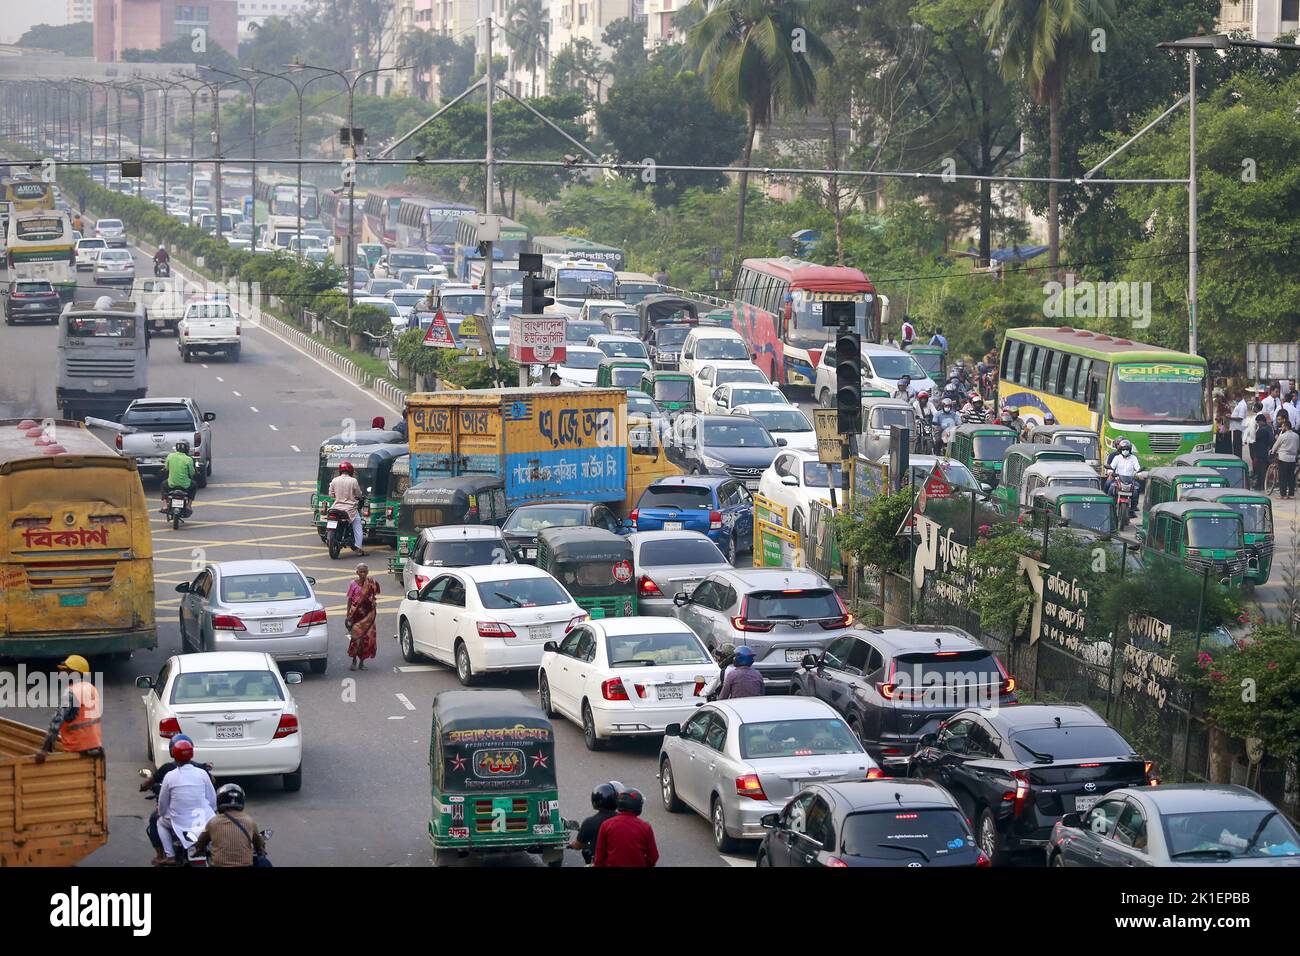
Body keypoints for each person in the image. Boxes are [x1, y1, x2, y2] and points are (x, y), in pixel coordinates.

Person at [141, 735, 214, 865]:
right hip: (204, 820)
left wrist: (164, 814)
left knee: (160, 822)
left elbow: (163, 805)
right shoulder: (202, 772)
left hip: (181, 823)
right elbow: (212, 800)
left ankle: (170, 856)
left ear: (173, 754)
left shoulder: (169, 775)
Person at [34, 655, 102, 764]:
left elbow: (56, 722)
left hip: (76, 747)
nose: (61, 674)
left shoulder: (71, 693)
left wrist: (44, 750)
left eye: (65, 671)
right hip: (94, 745)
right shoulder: (92, 688)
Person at [194, 783, 265, 868]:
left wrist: (199, 849)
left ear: (219, 800)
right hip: (246, 865)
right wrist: (260, 850)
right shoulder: (249, 821)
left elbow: (201, 842)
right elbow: (258, 843)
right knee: (264, 862)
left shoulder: (213, 822)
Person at [593, 789, 658, 868]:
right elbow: (653, 857)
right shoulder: (645, 827)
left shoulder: (606, 825)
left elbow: (599, 858)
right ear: (638, 807)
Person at [570, 781, 623, 865]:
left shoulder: (590, 822)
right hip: (624, 860)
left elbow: (578, 845)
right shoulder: (625, 820)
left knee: (586, 851)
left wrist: (571, 845)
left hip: (602, 862)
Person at [345, 563, 380, 669]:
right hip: (356, 615)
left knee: (367, 639)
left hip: (368, 615)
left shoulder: (371, 583)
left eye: (365, 571)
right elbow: (350, 599)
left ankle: (362, 662)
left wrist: (373, 602)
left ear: (368, 572)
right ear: (357, 572)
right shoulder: (353, 584)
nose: (363, 574)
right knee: (356, 639)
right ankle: (354, 661)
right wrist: (348, 614)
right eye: (361, 571)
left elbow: (374, 596)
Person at [327, 460, 366, 556]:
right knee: (357, 525)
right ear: (351, 471)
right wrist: (360, 497)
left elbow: (331, 495)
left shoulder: (334, 480)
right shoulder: (353, 481)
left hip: (335, 508)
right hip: (349, 509)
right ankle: (358, 548)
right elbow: (358, 494)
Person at [1105, 440, 1143, 514]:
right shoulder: (1117, 458)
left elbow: (1138, 467)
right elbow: (1111, 467)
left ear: (1130, 450)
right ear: (1120, 450)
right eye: (1123, 449)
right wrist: (1110, 473)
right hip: (1118, 480)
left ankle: (1133, 508)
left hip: (1130, 480)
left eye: (1127, 449)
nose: (1125, 451)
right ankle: (1109, 506)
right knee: (1111, 488)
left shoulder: (1133, 458)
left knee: (1137, 488)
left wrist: (1139, 474)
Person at [161, 440, 197, 512]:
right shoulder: (188, 459)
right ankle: (189, 505)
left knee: (163, 485)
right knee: (194, 485)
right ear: (187, 449)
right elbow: (192, 473)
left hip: (171, 484)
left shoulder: (170, 456)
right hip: (185, 485)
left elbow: (166, 468)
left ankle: (165, 505)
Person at [1271, 416, 1298, 499]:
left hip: (1283, 458)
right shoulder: (1296, 436)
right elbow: (1297, 446)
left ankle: (1283, 494)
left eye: (1282, 426)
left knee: (1283, 476)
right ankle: (1291, 494)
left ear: (1286, 427)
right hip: (1292, 458)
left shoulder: (1283, 436)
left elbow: (1276, 445)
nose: (1281, 428)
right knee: (1291, 476)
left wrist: (1272, 451)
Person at [1250, 413, 1274, 492]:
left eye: (1258, 422)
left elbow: (1255, 438)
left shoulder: (1262, 430)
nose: (1257, 424)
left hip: (1260, 452)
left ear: (1260, 421)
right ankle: (1262, 484)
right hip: (1265, 451)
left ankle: (1260, 485)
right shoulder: (1269, 428)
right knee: (1263, 469)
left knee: (1260, 470)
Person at [1230, 388, 1249, 460]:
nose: (1234, 399)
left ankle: (1238, 459)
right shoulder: (1239, 404)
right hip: (1236, 428)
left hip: (1239, 428)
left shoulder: (1242, 405)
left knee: (1237, 446)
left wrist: (1231, 418)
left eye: (1235, 397)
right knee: (1235, 445)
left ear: (1238, 397)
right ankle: (1236, 458)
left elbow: (1240, 417)